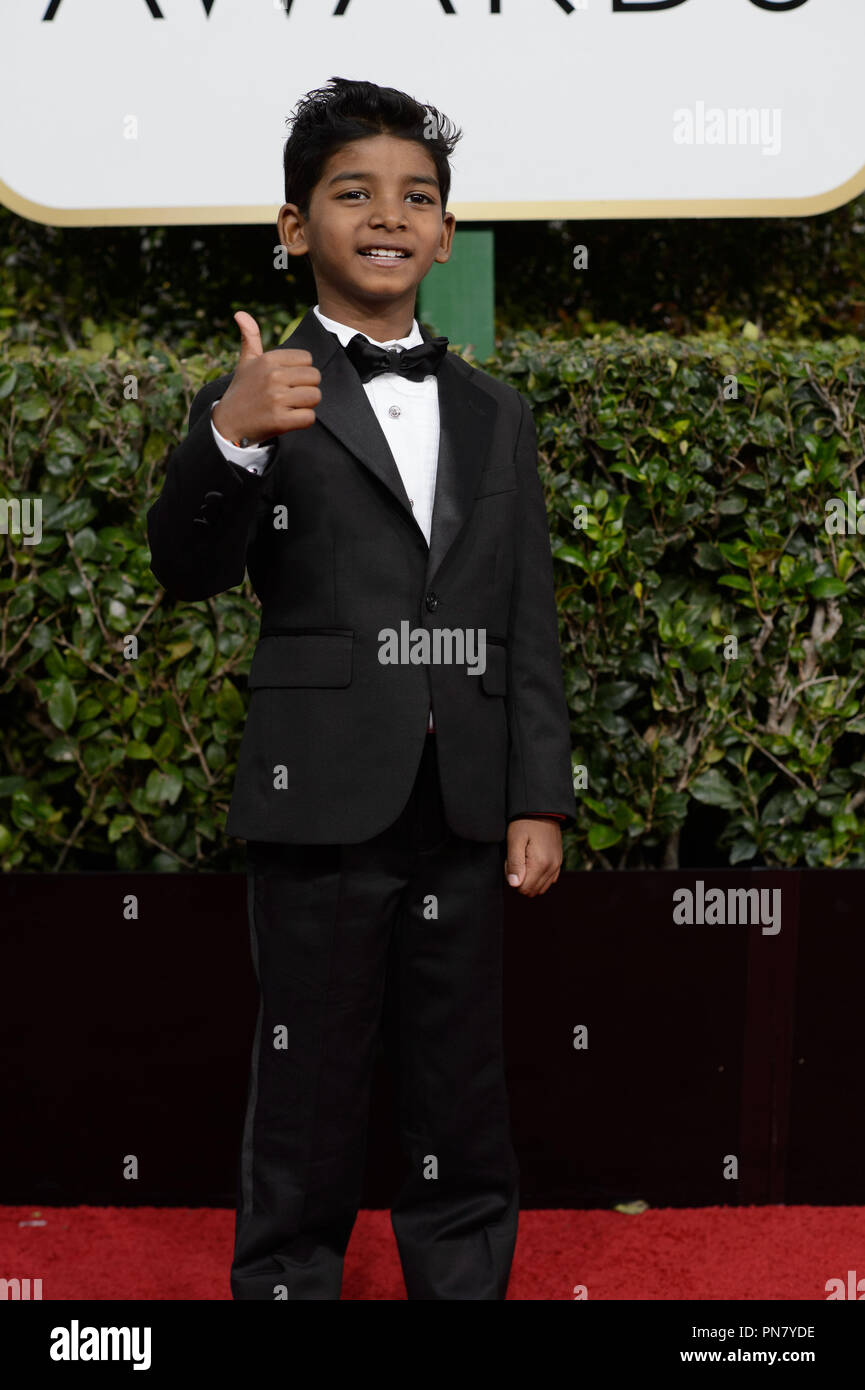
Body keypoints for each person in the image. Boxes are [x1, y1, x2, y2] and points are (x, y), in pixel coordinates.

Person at [147, 76, 576, 1301]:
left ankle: (461, 1279)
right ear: (295, 229)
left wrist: (538, 791)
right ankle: (286, 1277)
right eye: (352, 193)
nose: (388, 215)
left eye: (417, 196)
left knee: (460, 1073)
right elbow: (184, 567)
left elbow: (523, 618)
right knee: (311, 1069)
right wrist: (229, 439)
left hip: (468, 798)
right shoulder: (258, 393)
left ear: (444, 231)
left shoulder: (498, 414)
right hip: (320, 793)